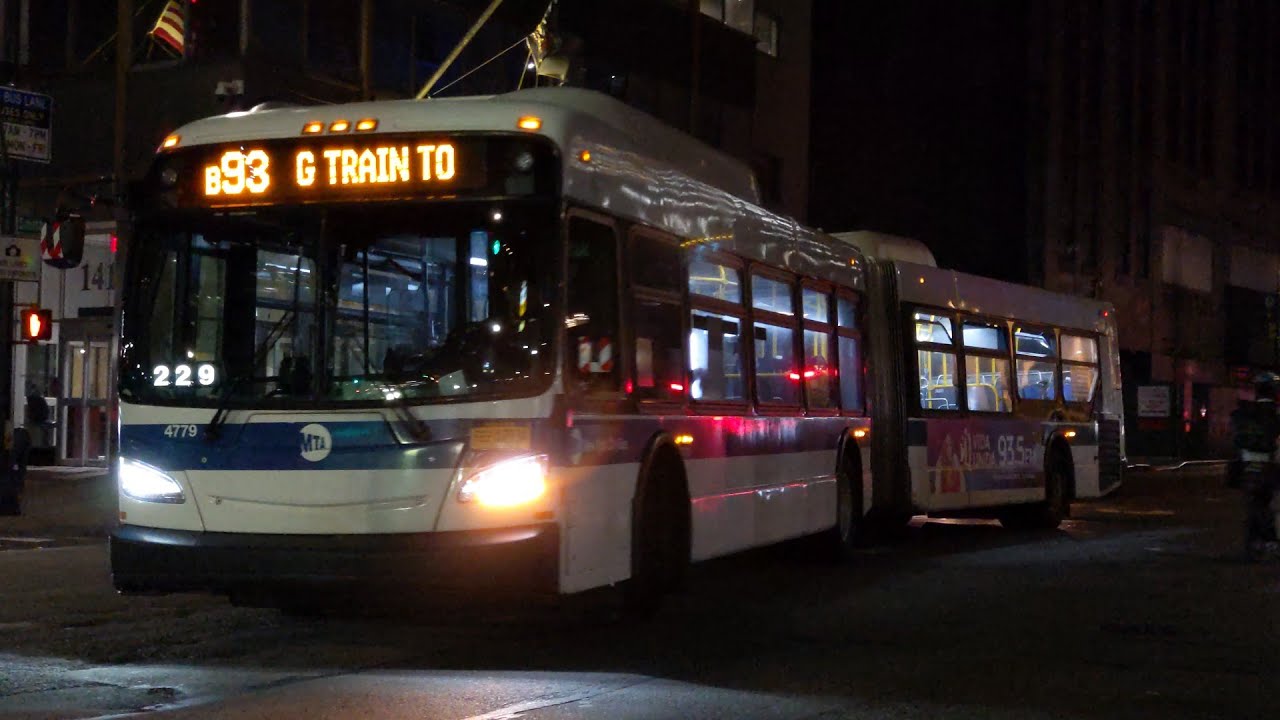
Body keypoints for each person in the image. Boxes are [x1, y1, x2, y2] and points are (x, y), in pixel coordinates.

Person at [1230, 372, 1280, 560]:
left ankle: (1254, 542)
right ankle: (1268, 541)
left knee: (1254, 503)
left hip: (1247, 464)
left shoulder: (1245, 412)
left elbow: (1235, 438)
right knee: (1264, 503)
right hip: (1269, 465)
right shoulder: (1274, 413)